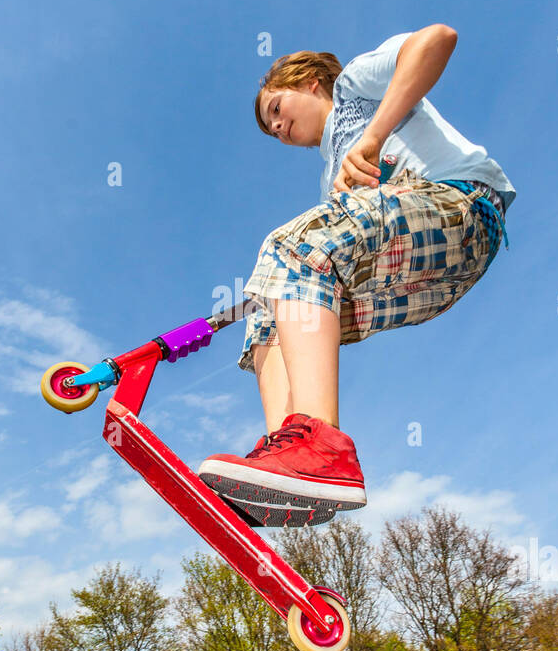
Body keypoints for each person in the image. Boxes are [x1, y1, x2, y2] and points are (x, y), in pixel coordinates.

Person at [198, 26, 515, 527]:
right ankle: (288, 462)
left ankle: (320, 442)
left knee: (290, 247)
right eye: (269, 128)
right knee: (268, 309)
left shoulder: (351, 88)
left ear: (308, 83)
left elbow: (438, 39)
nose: (276, 129)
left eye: (276, 110)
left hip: (461, 208)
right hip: (428, 274)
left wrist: (373, 135)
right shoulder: (331, 174)